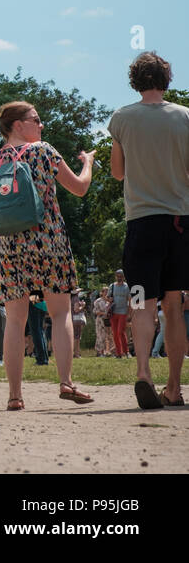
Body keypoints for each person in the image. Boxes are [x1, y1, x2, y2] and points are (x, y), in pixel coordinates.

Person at [0, 101, 95, 410]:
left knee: (15, 320)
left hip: (8, 247)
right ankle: (65, 382)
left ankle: (15, 396)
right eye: (35, 120)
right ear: (18, 126)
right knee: (60, 313)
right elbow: (79, 188)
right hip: (49, 240)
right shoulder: (44, 151)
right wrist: (88, 162)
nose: (41, 126)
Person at [108, 51, 189, 408]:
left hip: (141, 224)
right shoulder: (185, 117)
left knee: (141, 303)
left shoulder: (122, 119)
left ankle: (143, 372)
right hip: (179, 223)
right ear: (166, 79)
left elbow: (117, 173)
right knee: (174, 304)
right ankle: (174, 387)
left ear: (135, 81)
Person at [107, 270, 131, 358]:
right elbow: (108, 297)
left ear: (123, 277)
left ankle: (126, 351)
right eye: (118, 276)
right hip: (113, 312)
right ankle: (118, 353)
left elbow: (130, 301)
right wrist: (109, 299)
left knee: (120, 332)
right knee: (115, 333)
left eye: (121, 276)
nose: (119, 277)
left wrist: (129, 313)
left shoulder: (127, 287)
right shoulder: (112, 286)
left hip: (123, 312)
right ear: (115, 276)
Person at [92, 287, 113, 357]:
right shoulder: (98, 301)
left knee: (107, 336)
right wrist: (104, 313)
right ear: (102, 292)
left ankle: (106, 351)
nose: (107, 293)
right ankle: (99, 352)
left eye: (108, 292)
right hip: (100, 320)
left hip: (107, 321)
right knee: (100, 336)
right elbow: (95, 311)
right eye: (105, 291)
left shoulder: (109, 302)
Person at [71, 293, 87, 359]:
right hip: (77, 319)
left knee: (75, 337)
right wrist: (83, 306)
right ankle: (76, 354)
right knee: (77, 337)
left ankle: (76, 353)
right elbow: (76, 309)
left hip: (72, 318)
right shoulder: (76, 299)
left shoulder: (71, 298)